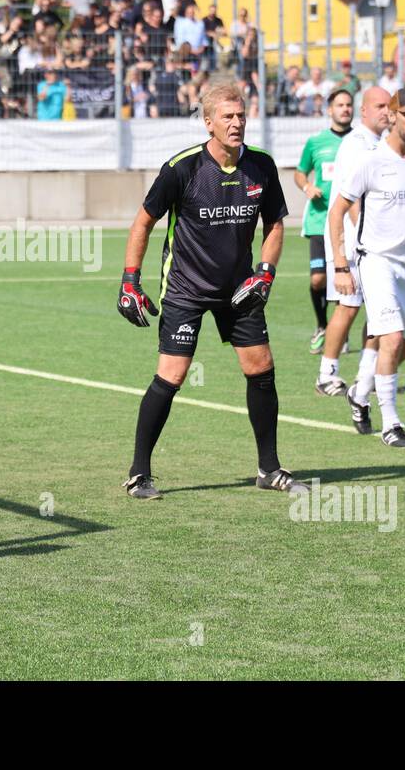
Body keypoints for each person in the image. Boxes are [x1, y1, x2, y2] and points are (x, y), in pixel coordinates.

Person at [116, 82, 308, 500]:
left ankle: (269, 468)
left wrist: (266, 272)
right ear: (209, 123)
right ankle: (139, 472)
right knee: (173, 375)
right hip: (186, 289)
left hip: (240, 289)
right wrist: (130, 278)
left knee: (261, 368)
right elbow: (142, 223)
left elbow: (274, 225)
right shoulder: (182, 168)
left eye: (241, 115)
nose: (237, 123)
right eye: (228, 116)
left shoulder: (261, 166)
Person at [329, 87, 405, 448]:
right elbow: (338, 210)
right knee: (392, 338)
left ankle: (359, 391)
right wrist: (341, 264)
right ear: (392, 117)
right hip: (375, 261)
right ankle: (391, 424)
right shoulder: (369, 160)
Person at [317, 86, 391, 403]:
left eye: (390, 106)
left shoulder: (382, 144)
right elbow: (351, 199)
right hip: (349, 240)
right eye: (379, 106)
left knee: (377, 312)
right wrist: (368, 233)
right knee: (347, 309)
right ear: (364, 112)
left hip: (370, 241)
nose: (386, 111)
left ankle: (366, 375)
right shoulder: (356, 144)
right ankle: (326, 374)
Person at [294, 89, 354, 363]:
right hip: (320, 220)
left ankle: (339, 331)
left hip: (350, 223)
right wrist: (307, 186)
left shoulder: (361, 141)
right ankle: (322, 325)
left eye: (349, 104)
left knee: (346, 279)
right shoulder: (316, 142)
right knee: (318, 278)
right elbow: (299, 172)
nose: (345, 108)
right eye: (340, 105)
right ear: (329, 110)